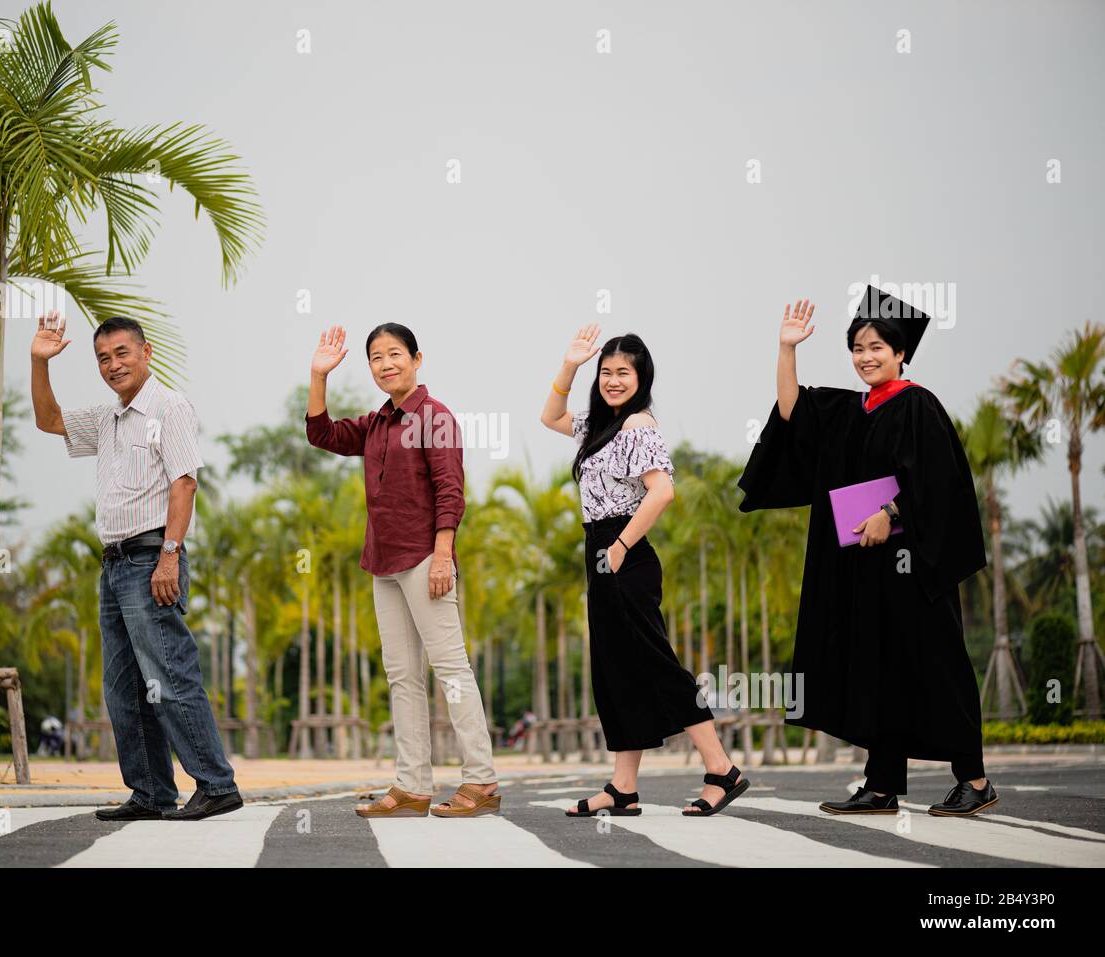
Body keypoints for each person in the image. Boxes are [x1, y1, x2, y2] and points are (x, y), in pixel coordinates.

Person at [738, 289, 996, 816]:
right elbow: (792, 413)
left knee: (938, 667)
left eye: (877, 346)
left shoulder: (918, 405)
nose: (866, 356)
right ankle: (881, 786)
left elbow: (941, 485)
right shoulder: (850, 410)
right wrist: (787, 349)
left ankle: (976, 779)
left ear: (901, 353)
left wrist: (892, 515)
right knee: (878, 672)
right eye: (857, 347)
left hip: (916, 571)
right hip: (866, 571)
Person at [31, 312, 242, 821]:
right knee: (123, 687)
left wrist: (169, 555)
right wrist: (40, 363)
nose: (112, 365)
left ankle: (216, 784)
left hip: (152, 558)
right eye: (103, 358)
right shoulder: (107, 419)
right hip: (113, 564)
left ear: (146, 354)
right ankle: (150, 792)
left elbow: (185, 482)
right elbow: (48, 420)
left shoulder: (168, 407)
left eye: (122, 353)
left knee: (169, 673)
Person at [542, 326, 748, 817]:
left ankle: (722, 768)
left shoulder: (638, 426)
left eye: (624, 373)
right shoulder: (598, 425)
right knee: (617, 671)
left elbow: (662, 492)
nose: (613, 380)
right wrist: (570, 364)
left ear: (642, 377)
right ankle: (622, 788)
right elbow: (550, 415)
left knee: (656, 664)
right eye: (606, 372)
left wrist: (619, 546)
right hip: (601, 551)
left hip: (625, 554)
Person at [305, 323, 500, 818]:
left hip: (423, 559)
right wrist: (318, 375)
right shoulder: (376, 424)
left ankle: (481, 781)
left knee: (451, 670)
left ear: (417, 359)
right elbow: (321, 433)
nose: (386, 364)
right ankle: (412, 785)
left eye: (395, 354)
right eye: (376, 358)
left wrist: (442, 555)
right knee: (402, 676)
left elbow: (450, 490)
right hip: (383, 563)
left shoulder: (434, 418)